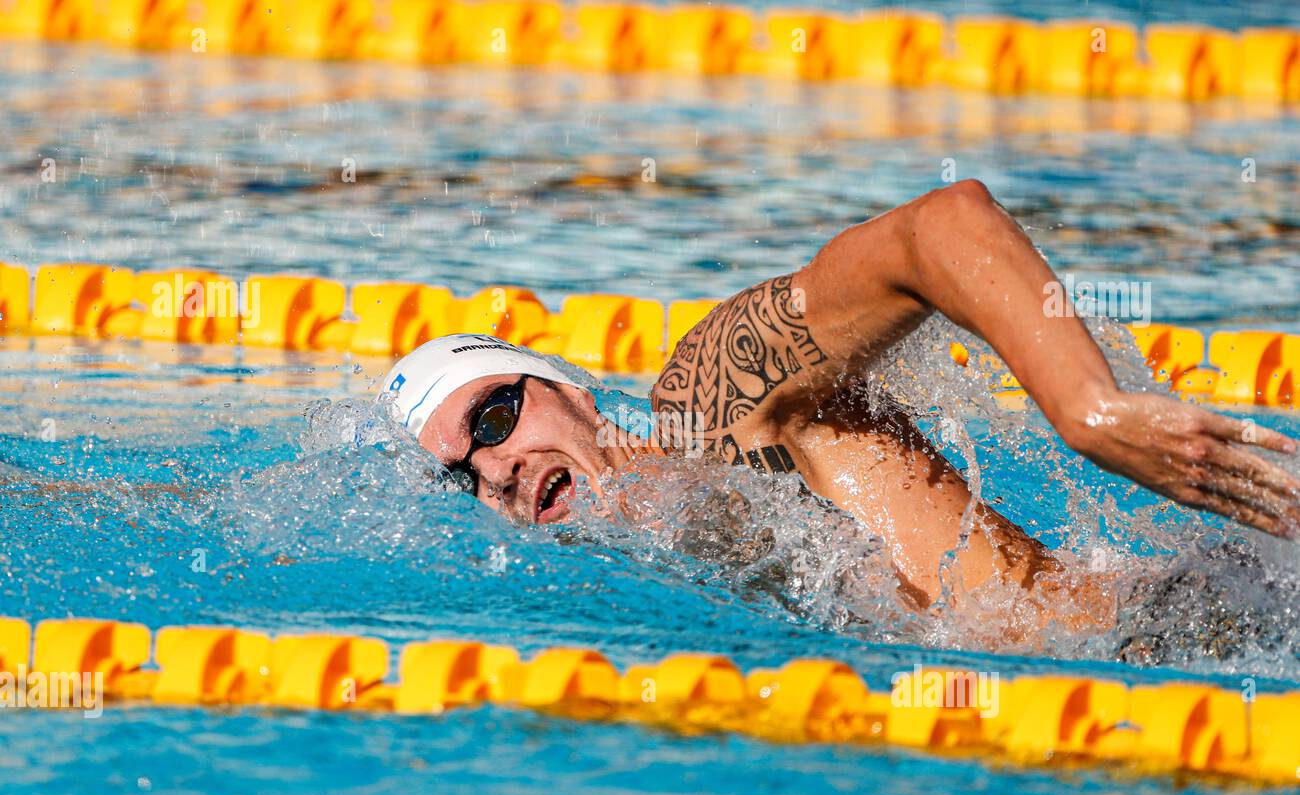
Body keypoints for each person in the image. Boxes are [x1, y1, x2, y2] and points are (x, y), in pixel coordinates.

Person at [380, 180, 1300, 612]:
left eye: (493, 417)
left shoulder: (709, 401)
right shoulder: (645, 568)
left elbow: (940, 228)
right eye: (465, 478)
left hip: (1181, 630)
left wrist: (1088, 412)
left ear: (572, 391)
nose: (496, 470)